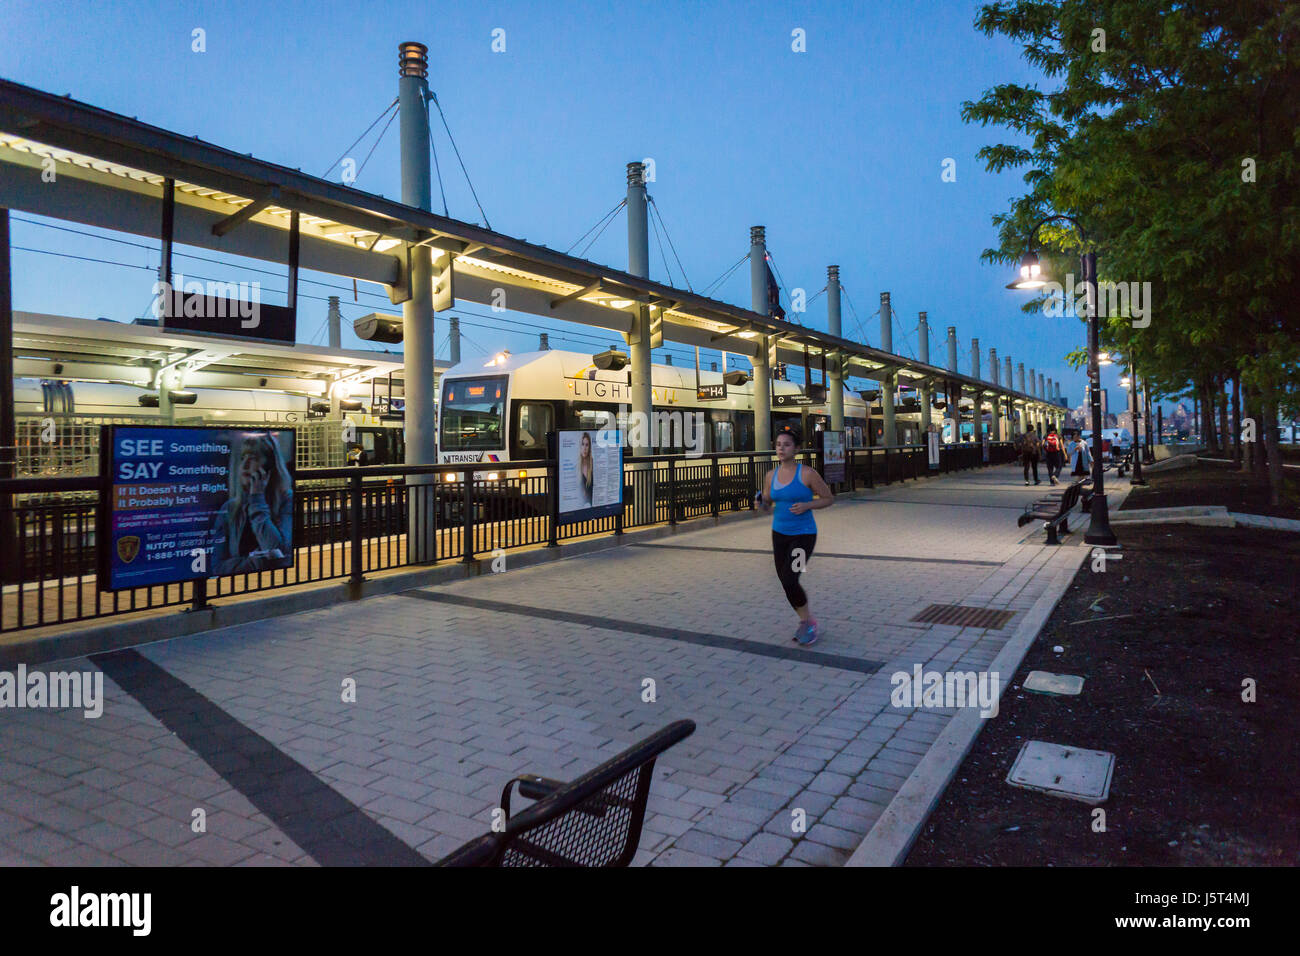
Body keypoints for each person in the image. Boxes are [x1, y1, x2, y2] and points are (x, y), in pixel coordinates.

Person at [755, 426, 833, 646]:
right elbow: (768, 502)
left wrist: (808, 504)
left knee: (791, 578)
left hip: (803, 535)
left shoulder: (807, 473)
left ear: (797, 449)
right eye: (778, 444)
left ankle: (809, 623)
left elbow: (828, 498)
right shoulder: (771, 475)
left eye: (787, 444)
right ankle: (804, 620)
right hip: (779, 534)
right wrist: (761, 504)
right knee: (784, 580)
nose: (781, 448)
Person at [212, 433, 294, 575]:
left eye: (253, 458)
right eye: (243, 458)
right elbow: (218, 567)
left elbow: (280, 552)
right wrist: (259, 561)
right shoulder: (229, 508)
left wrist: (257, 498)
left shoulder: (286, 500)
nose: (245, 465)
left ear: (269, 466)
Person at [578, 431, 594, 505]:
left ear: (589, 447)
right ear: (580, 446)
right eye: (583, 444)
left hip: (592, 506)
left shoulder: (593, 464)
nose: (584, 448)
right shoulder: (577, 466)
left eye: (587, 445)